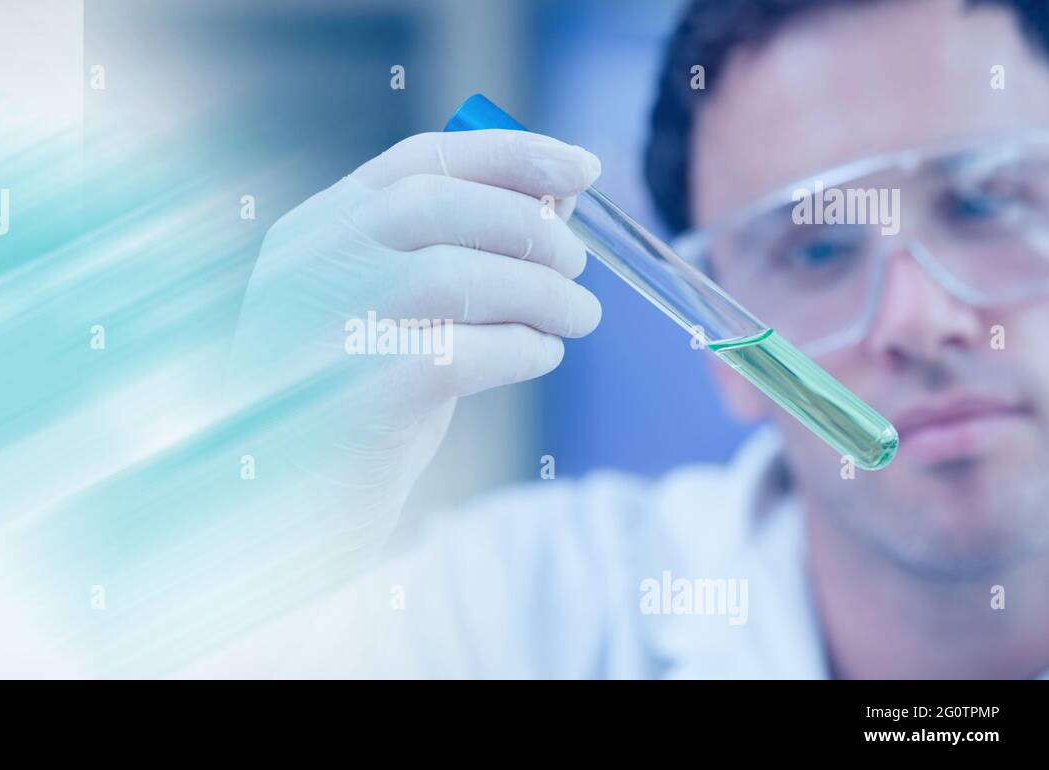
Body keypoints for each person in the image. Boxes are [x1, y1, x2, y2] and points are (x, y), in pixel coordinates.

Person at [216, 0, 1049, 678]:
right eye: (816, 249)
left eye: (988, 202)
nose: (921, 319)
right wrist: (260, 535)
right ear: (726, 362)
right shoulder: (520, 614)